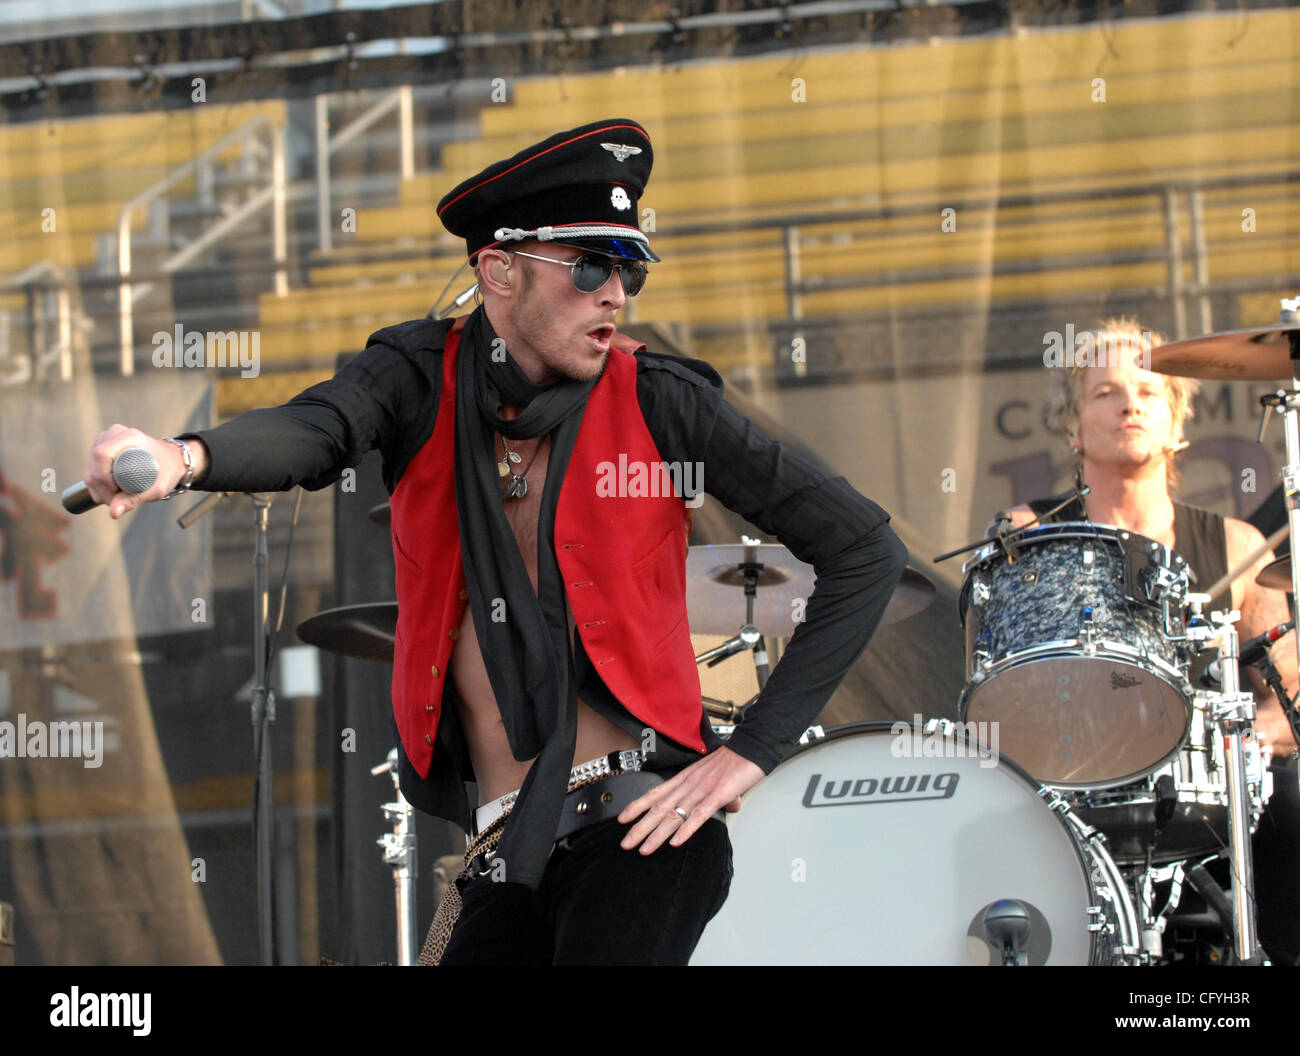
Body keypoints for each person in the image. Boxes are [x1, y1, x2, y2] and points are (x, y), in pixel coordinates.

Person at [80, 118, 908, 965]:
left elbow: (864, 551)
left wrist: (748, 754)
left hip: (640, 831)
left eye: (627, 270)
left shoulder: (660, 400)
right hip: (502, 859)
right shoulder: (414, 380)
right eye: (589, 266)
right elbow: (316, 433)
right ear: (499, 270)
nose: (614, 295)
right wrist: (187, 457)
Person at [996, 318, 1300, 964]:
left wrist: (1252, 738)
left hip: (1207, 793)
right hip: (1071, 787)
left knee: (1297, 799)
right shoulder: (1028, 536)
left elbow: (1290, 696)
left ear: (1178, 425)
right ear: (1072, 428)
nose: (1130, 402)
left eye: (1149, 391)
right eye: (1105, 392)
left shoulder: (1238, 548)